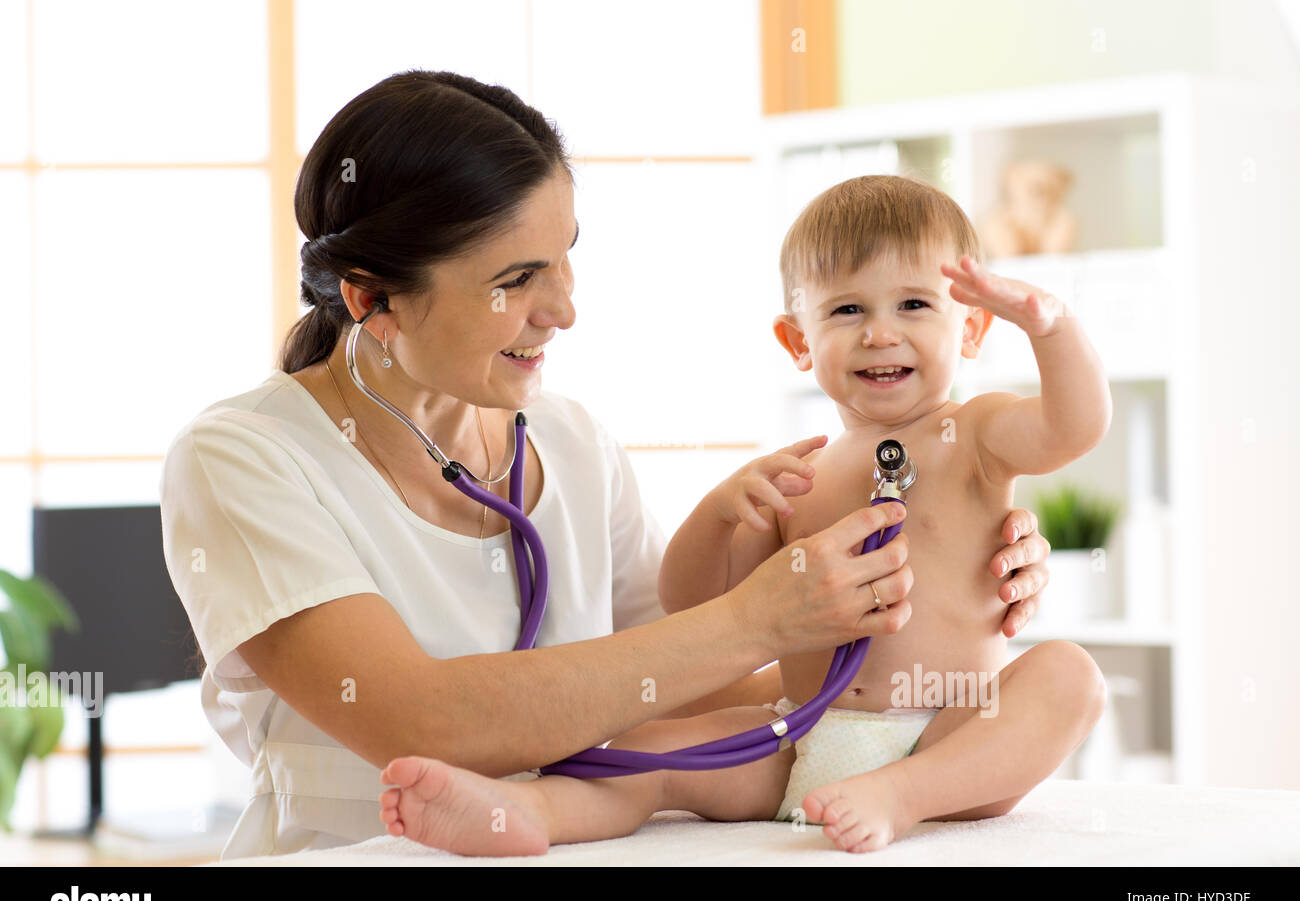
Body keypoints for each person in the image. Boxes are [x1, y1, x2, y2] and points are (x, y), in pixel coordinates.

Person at [158, 72, 1053, 859]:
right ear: (371, 298)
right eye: (516, 279)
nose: (564, 311)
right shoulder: (245, 459)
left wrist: (931, 613)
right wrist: (758, 617)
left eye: (566, 259)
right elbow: (421, 721)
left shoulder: (572, 442)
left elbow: (683, 676)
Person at [378, 174, 1109, 856]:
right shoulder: (801, 475)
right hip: (802, 735)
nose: (880, 333)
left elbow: (1074, 426)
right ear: (797, 341)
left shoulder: (977, 433)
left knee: (1068, 678)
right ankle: (528, 814)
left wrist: (1052, 328)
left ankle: (902, 795)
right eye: (846, 309)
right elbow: (697, 602)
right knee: (658, 754)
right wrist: (722, 513)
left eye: (914, 305)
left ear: (974, 332)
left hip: (949, 734)